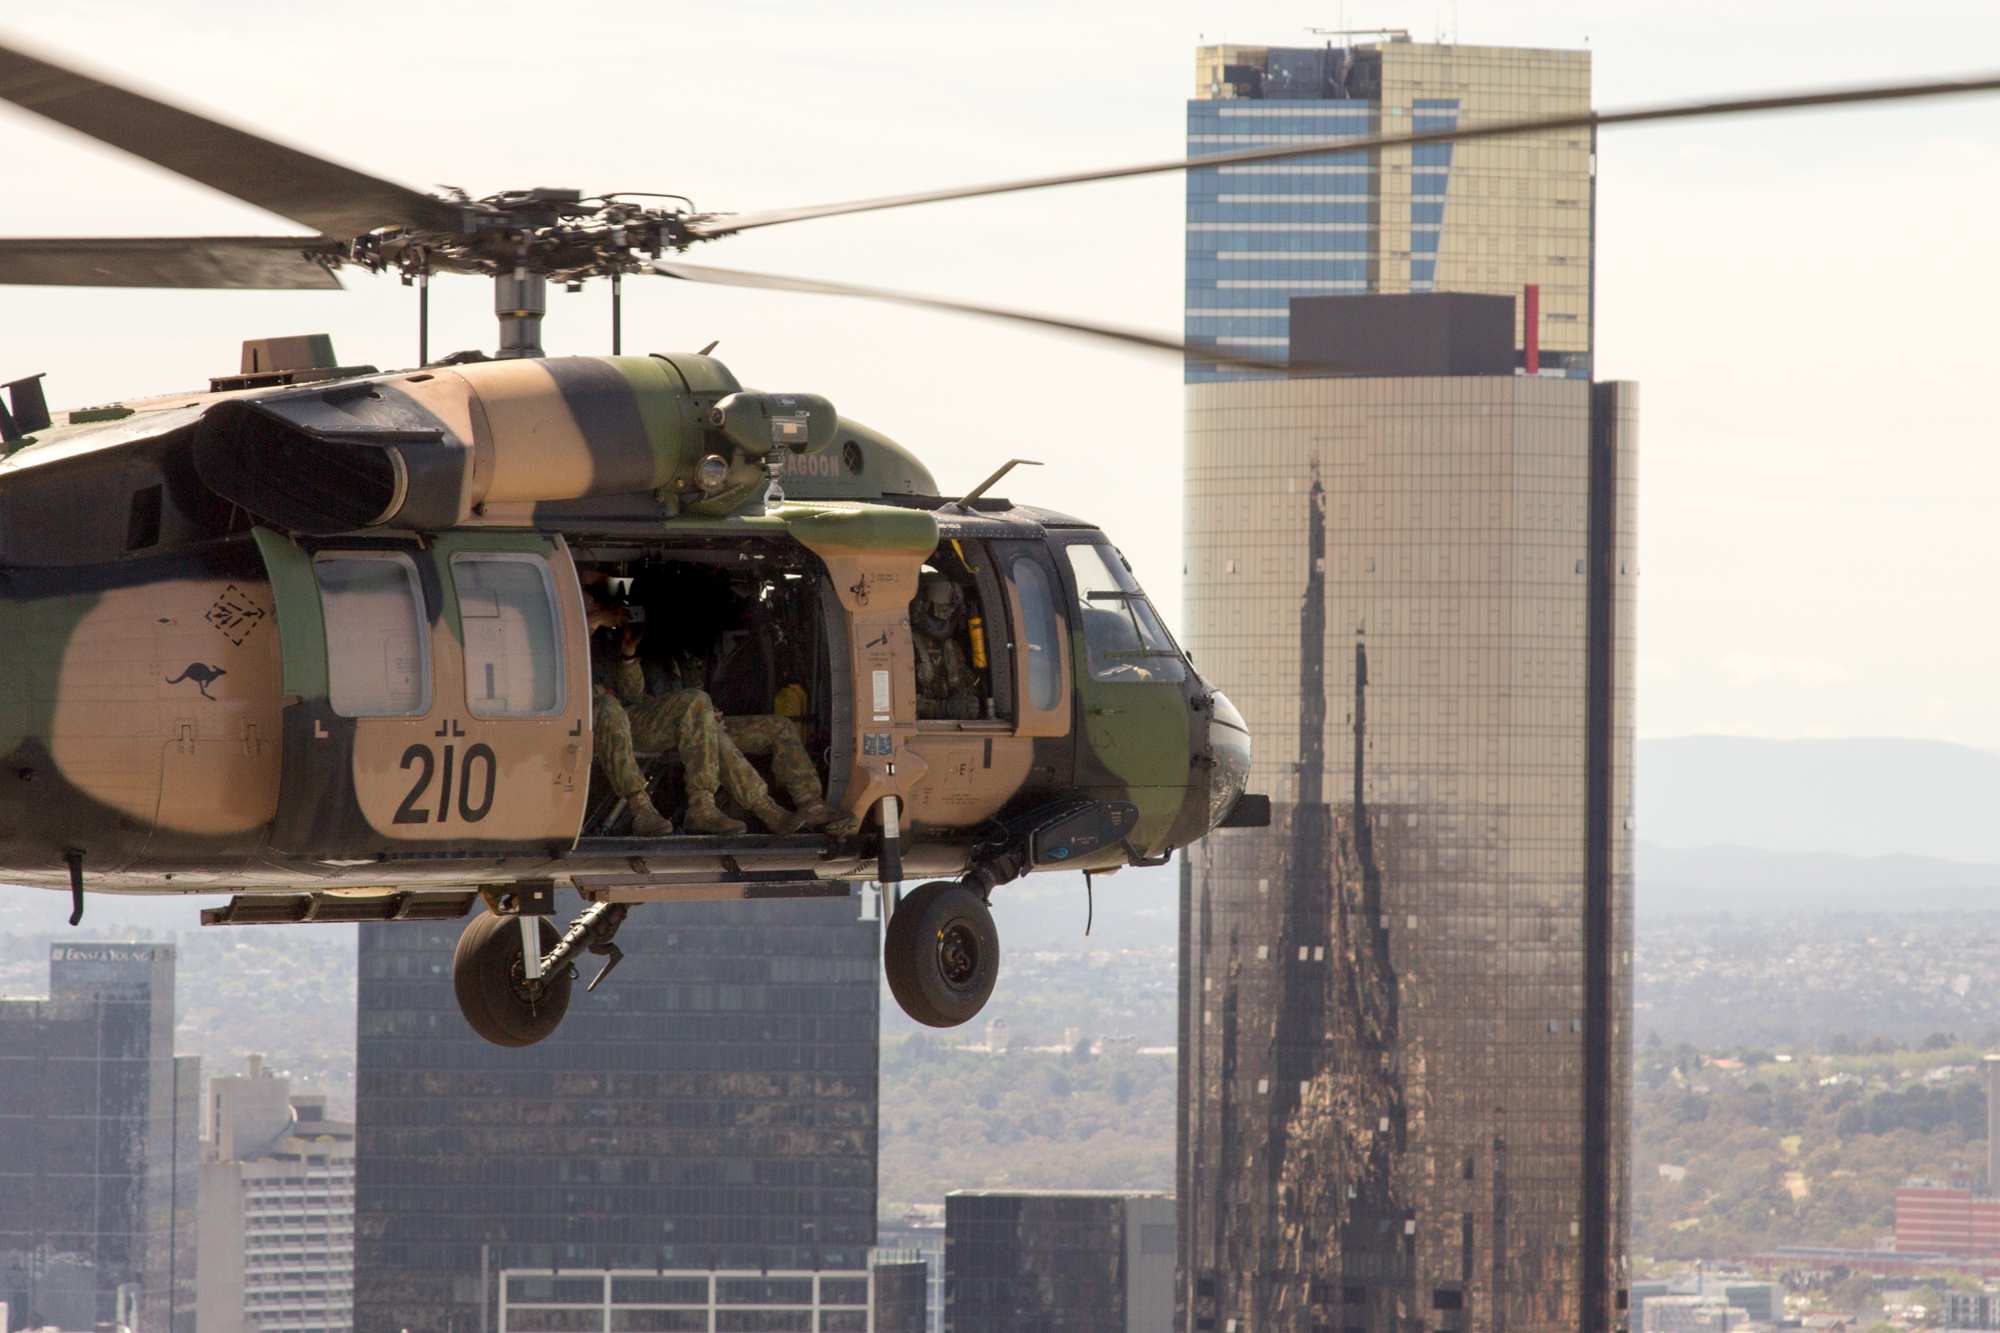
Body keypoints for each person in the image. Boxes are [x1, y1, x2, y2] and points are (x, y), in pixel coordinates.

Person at [586, 584, 796, 837]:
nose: (603, 613)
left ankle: (708, 807)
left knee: (697, 703)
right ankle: (640, 808)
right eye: (592, 608)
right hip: (584, 723)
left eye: (599, 607)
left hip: (631, 722)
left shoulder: (610, 642)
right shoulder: (562, 635)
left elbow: (633, 696)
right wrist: (593, 619)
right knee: (608, 707)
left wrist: (628, 654)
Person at [911, 572, 983, 720]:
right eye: (942, 608)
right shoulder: (905, 645)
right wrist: (944, 708)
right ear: (922, 605)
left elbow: (969, 688)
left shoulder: (951, 647)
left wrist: (971, 702)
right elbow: (895, 704)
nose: (947, 614)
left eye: (951, 609)